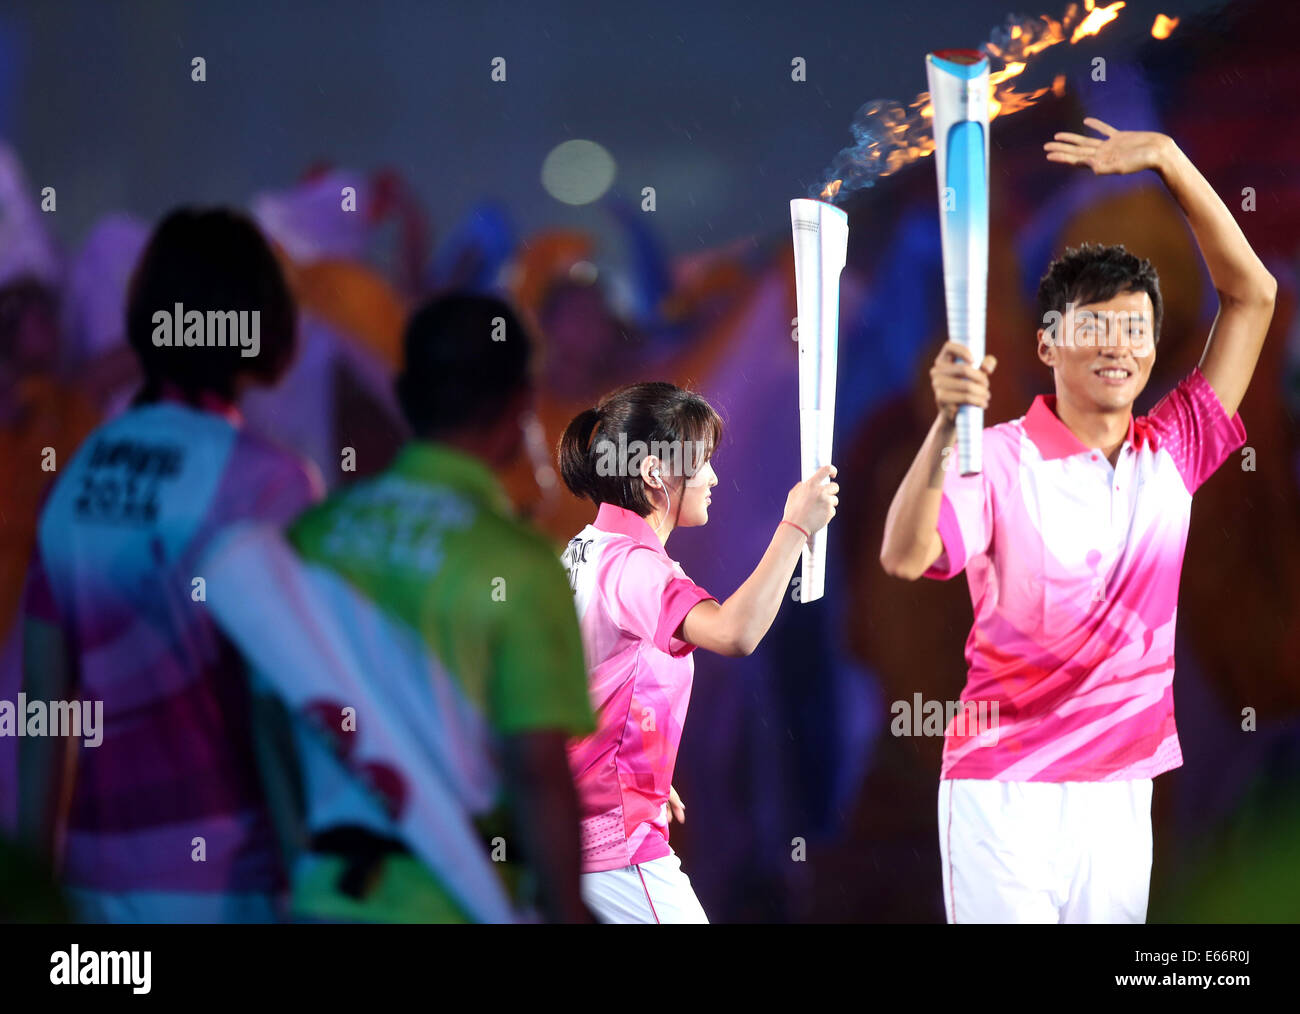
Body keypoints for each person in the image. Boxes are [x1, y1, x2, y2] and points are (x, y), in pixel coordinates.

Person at [880, 118, 1276, 923]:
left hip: (1121, 796)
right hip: (1005, 793)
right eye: (1091, 326)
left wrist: (1169, 157)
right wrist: (940, 422)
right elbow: (905, 553)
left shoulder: (1174, 450)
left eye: (1135, 327)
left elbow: (1253, 295)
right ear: (1048, 345)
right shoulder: (995, 456)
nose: (1116, 345)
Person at [200, 293, 597, 923]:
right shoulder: (520, 565)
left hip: (325, 897)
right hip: (459, 903)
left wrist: (303, 861)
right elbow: (537, 771)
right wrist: (569, 910)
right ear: (522, 402)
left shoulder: (312, 537)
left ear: (404, 394)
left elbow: (272, 720)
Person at [16, 208, 323, 922]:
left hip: (91, 892)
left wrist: (30, 889)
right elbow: (284, 702)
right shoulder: (270, 483)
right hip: (231, 886)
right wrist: (309, 873)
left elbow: (40, 712)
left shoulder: (76, 477)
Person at [557, 381, 839, 922]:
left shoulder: (582, 551)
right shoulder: (634, 566)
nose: (712, 478)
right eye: (702, 462)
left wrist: (639, 770)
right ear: (654, 475)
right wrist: (796, 526)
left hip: (578, 838)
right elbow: (736, 632)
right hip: (616, 851)